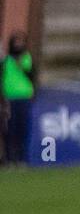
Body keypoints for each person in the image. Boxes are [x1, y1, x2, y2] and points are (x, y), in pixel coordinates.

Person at [1, 31, 36, 167]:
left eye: (20, 42)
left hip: (24, 98)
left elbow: (33, 76)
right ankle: (9, 159)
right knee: (10, 130)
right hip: (10, 99)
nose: (18, 45)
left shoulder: (27, 58)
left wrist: (22, 67)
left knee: (23, 130)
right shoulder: (6, 61)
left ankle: (23, 159)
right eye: (16, 42)